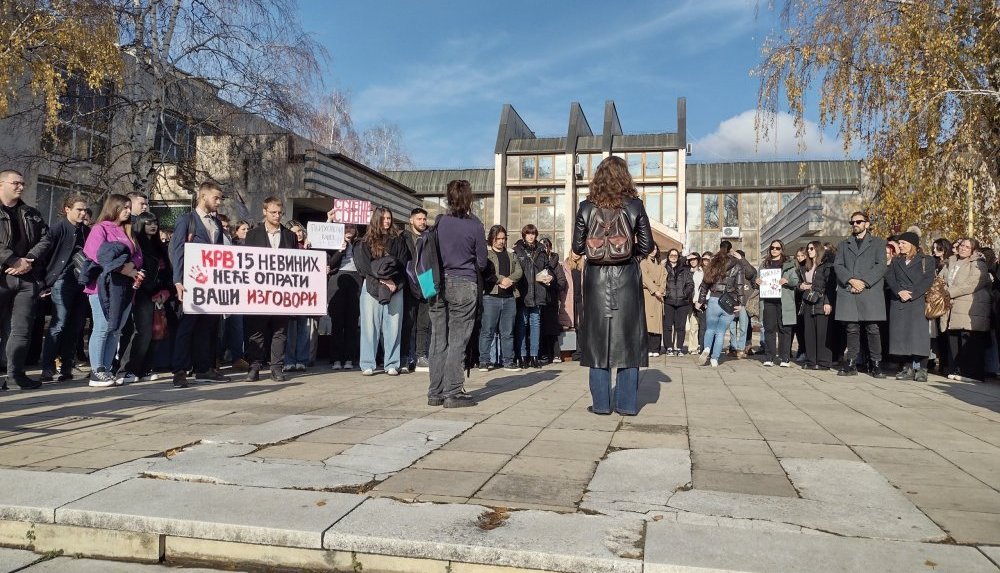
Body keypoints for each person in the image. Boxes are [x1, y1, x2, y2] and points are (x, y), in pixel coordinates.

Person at [571, 156, 653, 415]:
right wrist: (630, 257)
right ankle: (627, 405)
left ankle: (601, 404)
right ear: (624, 177)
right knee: (628, 340)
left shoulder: (586, 207)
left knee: (597, 340)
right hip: (627, 278)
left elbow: (576, 246)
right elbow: (647, 245)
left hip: (595, 279)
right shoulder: (635, 205)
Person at [427, 179, 486, 407]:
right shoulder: (475, 226)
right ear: (469, 198)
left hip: (437, 284)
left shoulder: (440, 222)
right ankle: (453, 392)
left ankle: (435, 392)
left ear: (448, 198)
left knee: (438, 339)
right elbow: (481, 262)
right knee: (457, 340)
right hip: (463, 283)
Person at [169, 181, 228, 388]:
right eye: (216, 198)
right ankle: (179, 370)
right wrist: (177, 280)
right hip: (191, 283)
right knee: (187, 327)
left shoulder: (217, 223)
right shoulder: (187, 220)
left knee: (207, 327)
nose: (219, 202)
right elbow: (177, 251)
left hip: (211, 285)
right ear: (203, 197)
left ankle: (204, 368)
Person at [81, 194, 142, 387]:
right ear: (113, 207)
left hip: (124, 288)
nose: (127, 211)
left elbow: (139, 255)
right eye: (124, 207)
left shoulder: (129, 230)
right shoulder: (100, 228)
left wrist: (132, 265)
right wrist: (121, 267)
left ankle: (106, 370)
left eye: (128, 207)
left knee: (115, 330)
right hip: (103, 286)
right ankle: (96, 370)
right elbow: (95, 253)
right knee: (102, 327)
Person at [0, 170, 51, 390]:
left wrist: (28, 259)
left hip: (26, 279)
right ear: (1, 184)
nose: (21, 187)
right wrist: (12, 260)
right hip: (2, 276)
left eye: (22, 183)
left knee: (21, 329)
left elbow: (46, 238)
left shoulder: (31, 213)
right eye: (16, 183)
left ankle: (15, 375)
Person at [242, 197, 298, 382]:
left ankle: (276, 367)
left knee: (279, 330)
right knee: (256, 330)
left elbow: (297, 264)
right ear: (264, 211)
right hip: (258, 292)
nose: (277, 216)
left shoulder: (290, 236)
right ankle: (255, 367)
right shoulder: (253, 235)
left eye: (280, 213)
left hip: (282, 292)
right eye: (273, 212)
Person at [117, 212, 172, 383]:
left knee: (156, 332)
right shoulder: (136, 245)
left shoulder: (160, 246)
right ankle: (127, 369)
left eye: (155, 222)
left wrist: (165, 292)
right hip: (141, 293)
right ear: (141, 224)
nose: (153, 226)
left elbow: (167, 272)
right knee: (142, 332)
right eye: (148, 223)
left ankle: (146, 368)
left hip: (159, 295)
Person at [39, 195, 89, 382]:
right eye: (79, 209)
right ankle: (47, 367)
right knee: (58, 325)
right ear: (67, 209)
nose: (83, 213)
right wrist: (44, 282)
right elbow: (45, 255)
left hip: (81, 282)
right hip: (61, 281)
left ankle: (66, 368)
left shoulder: (86, 231)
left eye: (85, 210)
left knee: (75, 327)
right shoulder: (57, 229)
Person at [354, 206, 409, 376]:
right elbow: (363, 265)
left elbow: (403, 262)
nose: (387, 221)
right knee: (369, 326)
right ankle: (367, 363)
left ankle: (392, 363)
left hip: (395, 286)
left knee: (393, 326)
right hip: (371, 286)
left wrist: (393, 281)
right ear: (376, 219)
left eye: (389, 218)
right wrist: (382, 279)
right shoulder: (365, 240)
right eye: (384, 218)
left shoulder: (398, 240)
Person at [834, 212, 888, 378]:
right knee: (852, 328)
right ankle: (851, 363)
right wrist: (851, 280)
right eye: (852, 222)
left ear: (867, 223)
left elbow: (881, 266)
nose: (855, 224)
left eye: (858, 221)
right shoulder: (844, 244)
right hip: (850, 290)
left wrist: (863, 282)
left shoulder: (878, 243)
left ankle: (876, 363)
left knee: (872, 329)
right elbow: (838, 265)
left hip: (869, 290)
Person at [884, 232, 935, 382]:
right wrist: (899, 291)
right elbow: (889, 277)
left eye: (903, 243)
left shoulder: (927, 260)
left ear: (912, 245)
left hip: (917, 301)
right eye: (899, 243)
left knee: (919, 337)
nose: (900, 246)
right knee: (902, 337)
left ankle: (922, 368)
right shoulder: (896, 261)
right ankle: (907, 367)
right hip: (899, 301)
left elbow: (928, 279)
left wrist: (912, 294)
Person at [941, 238, 992, 382]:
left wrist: (950, 292)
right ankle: (956, 368)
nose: (963, 248)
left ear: (973, 250)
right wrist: (941, 289)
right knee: (953, 337)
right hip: (952, 305)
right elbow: (942, 278)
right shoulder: (951, 261)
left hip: (970, 306)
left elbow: (973, 283)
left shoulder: (978, 264)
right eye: (962, 245)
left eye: (967, 247)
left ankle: (972, 373)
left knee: (969, 340)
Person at [479, 224, 522, 371]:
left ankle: (508, 361)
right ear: (492, 238)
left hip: (509, 297)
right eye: (498, 238)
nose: (502, 241)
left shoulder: (511, 254)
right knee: (487, 331)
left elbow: (519, 271)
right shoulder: (486, 254)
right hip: (491, 297)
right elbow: (485, 271)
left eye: (504, 238)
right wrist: (500, 279)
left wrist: (510, 280)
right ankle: (484, 361)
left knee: (507, 332)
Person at [696, 242, 745, 368]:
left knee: (710, 329)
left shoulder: (714, 263)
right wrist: (741, 303)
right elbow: (740, 286)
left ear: (720, 248)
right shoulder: (737, 265)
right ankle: (715, 359)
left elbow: (705, 283)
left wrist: (701, 300)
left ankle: (706, 348)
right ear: (731, 250)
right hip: (729, 301)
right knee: (721, 332)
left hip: (714, 299)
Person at [756, 240, 800, 367]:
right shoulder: (764, 264)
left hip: (784, 301)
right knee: (769, 329)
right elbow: (758, 280)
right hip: (768, 301)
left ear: (782, 249)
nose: (774, 250)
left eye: (777, 248)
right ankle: (769, 357)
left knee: (784, 329)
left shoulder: (789, 264)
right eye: (772, 248)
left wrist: (787, 280)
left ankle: (784, 358)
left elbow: (795, 281)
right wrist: (757, 281)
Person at [326, 223, 361, 371]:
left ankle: (349, 358)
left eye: (352, 228)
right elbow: (330, 263)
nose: (349, 230)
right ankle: (336, 359)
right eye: (346, 228)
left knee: (352, 323)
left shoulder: (360, 244)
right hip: (337, 279)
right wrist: (340, 250)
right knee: (337, 323)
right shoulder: (333, 242)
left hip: (356, 280)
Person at [513, 224, 549, 368]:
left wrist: (548, 277)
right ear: (524, 235)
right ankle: (522, 356)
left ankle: (534, 356)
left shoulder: (541, 250)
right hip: (523, 292)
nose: (531, 236)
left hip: (538, 292)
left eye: (533, 233)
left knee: (535, 324)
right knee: (522, 324)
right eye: (528, 234)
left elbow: (546, 269)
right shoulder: (517, 250)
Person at [799, 241, 836, 370]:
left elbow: (829, 285)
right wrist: (801, 286)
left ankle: (824, 362)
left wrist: (827, 302)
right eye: (808, 249)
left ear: (818, 249)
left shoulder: (826, 265)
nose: (809, 251)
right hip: (808, 302)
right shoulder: (805, 266)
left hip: (821, 301)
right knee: (809, 333)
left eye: (811, 248)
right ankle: (811, 361)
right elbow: (800, 282)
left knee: (822, 333)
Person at [402, 207, 430, 372]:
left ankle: (420, 356)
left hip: (426, 281)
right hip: (408, 281)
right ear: (411, 220)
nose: (422, 222)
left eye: (424, 219)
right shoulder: (403, 237)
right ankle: (406, 357)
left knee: (424, 323)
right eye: (419, 219)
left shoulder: (429, 237)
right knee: (408, 323)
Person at [284, 220, 311, 371]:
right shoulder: (286, 248)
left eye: (300, 231)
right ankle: (288, 360)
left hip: (305, 295)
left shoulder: (310, 248)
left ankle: (302, 360)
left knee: (304, 328)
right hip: (289, 295)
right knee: (289, 330)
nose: (298, 234)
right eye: (295, 232)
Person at [538, 236, 567, 363]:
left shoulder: (555, 262)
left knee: (552, 327)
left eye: (546, 246)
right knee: (540, 327)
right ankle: (544, 353)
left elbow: (562, 282)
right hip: (539, 297)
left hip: (551, 298)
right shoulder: (537, 259)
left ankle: (555, 353)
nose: (544, 248)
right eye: (541, 246)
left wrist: (552, 283)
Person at [663, 247, 694, 356]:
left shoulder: (685, 270)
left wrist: (685, 294)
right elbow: (661, 283)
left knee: (680, 326)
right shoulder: (664, 268)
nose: (673, 257)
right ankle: (669, 347)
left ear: (678, 257)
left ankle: (679, 347)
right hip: (669, 301)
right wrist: (667, 293)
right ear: (668, 257)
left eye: (675, 255)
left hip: (682, 302)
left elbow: (690, 284)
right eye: (671, 255)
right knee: (667, 326)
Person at [640, 245, 665, 357]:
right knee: (648, 321)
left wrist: (661, 290)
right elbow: (645, 278)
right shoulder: (643, 263)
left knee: (657, 322)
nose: (653, 251)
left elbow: (664, 278)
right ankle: (648, 348)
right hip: (648, 294)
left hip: (659, 295)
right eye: (651, 248)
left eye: (655, 249)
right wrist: (655, 290)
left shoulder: (660, 265)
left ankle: (656, 348)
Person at [683, 252, 705, 354]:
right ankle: (692, 347)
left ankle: (701, 345)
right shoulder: (686, 271)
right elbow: (679, 262)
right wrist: (687, 257)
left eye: (695, 259)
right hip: (688, 301)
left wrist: (700, 300)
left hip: (699, 301)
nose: (693, 261)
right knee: (692, 326)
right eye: (691, 259)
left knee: (701, 325)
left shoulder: (702, 272)